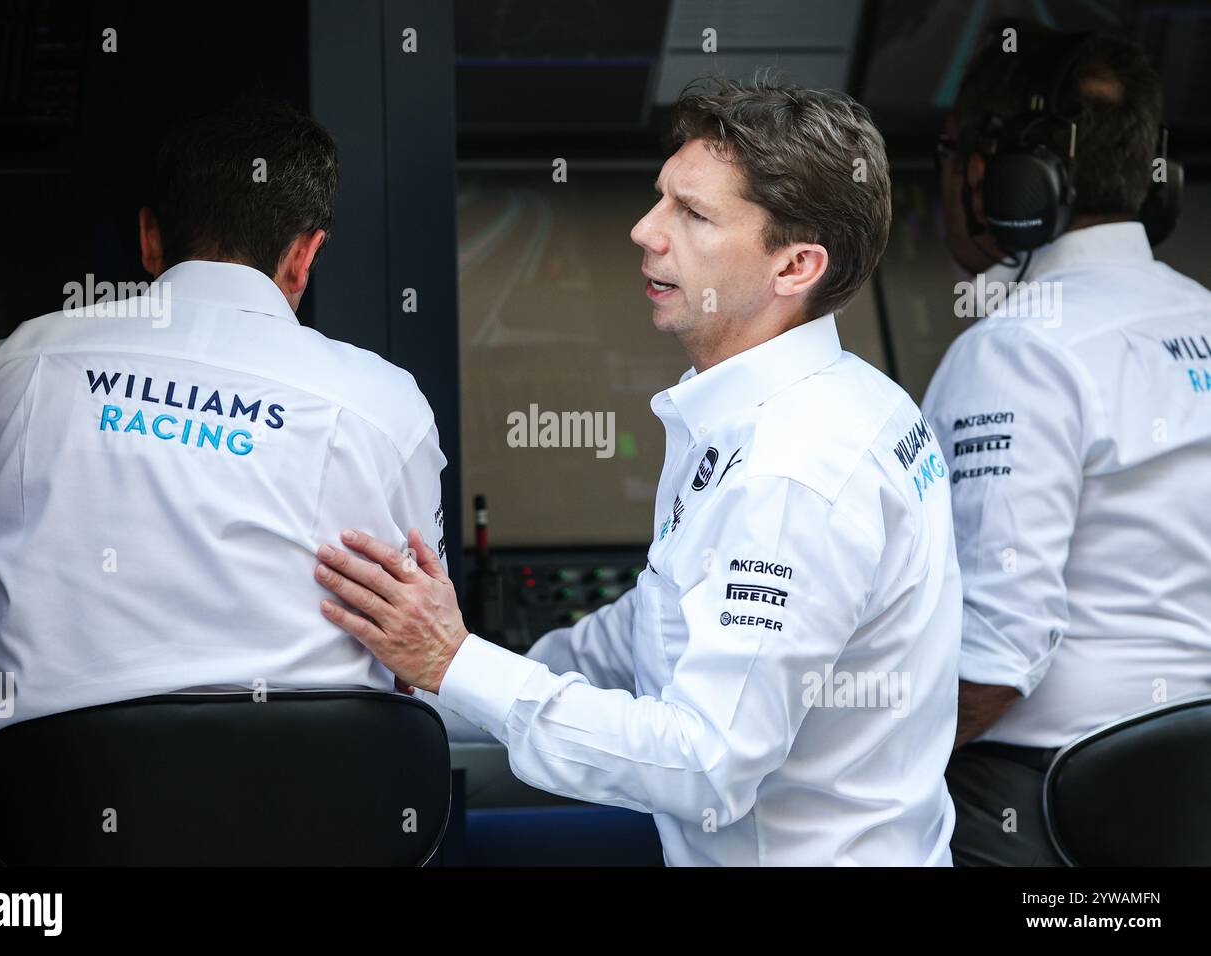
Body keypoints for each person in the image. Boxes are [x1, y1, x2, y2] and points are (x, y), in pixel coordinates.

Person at [312, 76, 964, 866]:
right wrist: (450, 685)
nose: (645, 231)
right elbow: (657, 624)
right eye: (661, 198)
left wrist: (457, 663)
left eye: (692, 214)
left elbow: (705, 765)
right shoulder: (826, 399)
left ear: (795, 267)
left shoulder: (792, 473)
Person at [0, 99, 445, 757]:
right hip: (320, 814)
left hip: (49, 821)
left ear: (150, 238)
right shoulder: (387, 405)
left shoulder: (15, 366)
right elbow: (417, 652)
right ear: (305, 254)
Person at [924, 21, 1211, 865]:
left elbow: (995, 657)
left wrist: (843, 769)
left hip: (1041, 801)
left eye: (950, 151)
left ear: (994, 173)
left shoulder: (1019, 348)